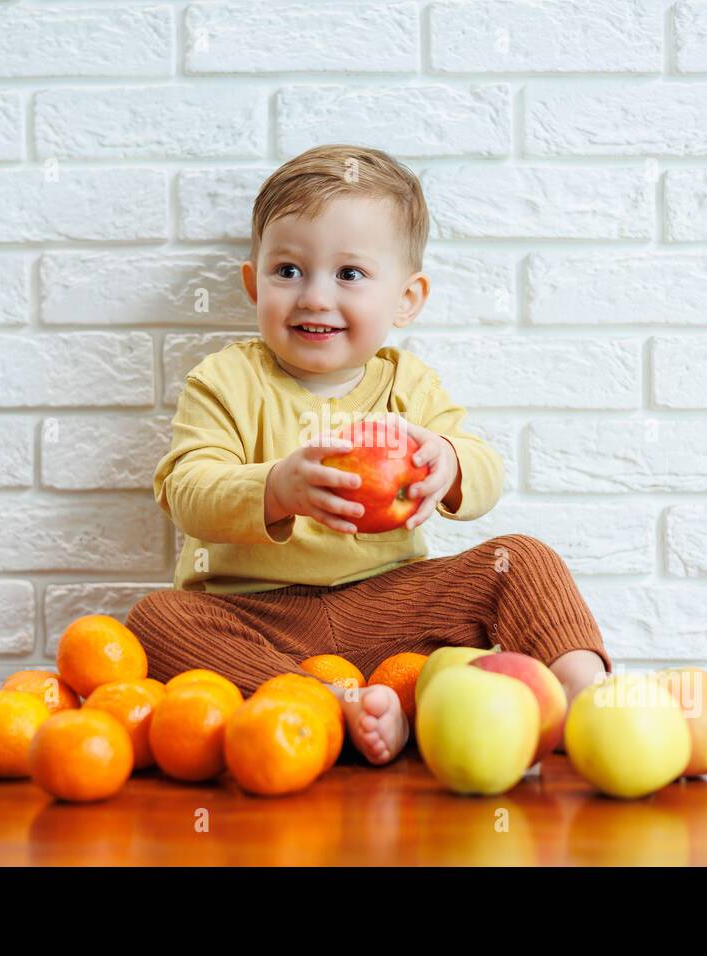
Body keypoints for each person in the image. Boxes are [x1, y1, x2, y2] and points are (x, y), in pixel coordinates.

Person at [127, 144, 611, 766]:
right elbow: (186, 489)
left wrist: (450, 463)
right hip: (256, 615)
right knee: (157, 619)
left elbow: (486, 471)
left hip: (389, 605)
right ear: (253, 283)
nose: (314, 297)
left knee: (519, 560)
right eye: (288, 271)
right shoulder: (223, 380)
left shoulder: (410, 385)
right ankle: (327, 704)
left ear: (407, 299)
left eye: (349, 274)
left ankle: (585, 697)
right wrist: (276, 487)